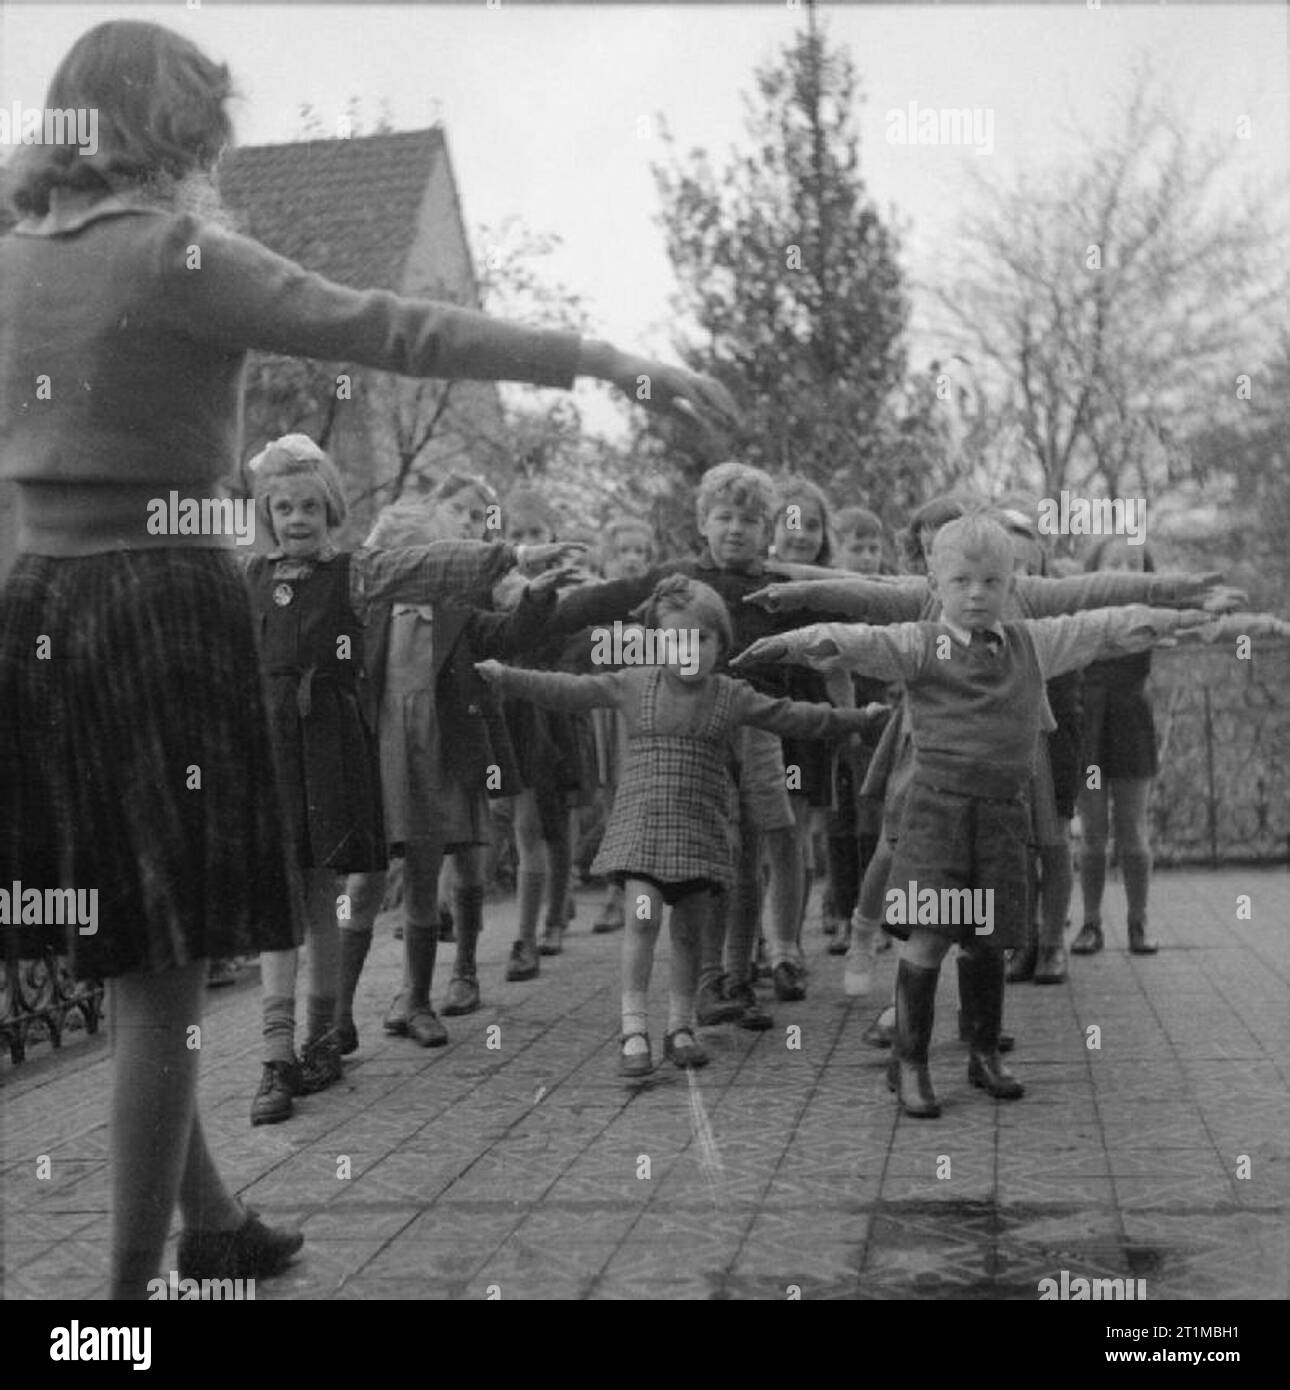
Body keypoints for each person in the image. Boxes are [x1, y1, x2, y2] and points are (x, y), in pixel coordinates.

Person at [0, 18, 736, 1299]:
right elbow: (396, 329)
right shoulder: (176, 254)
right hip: (160, 611)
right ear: (170, 133)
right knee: (165, 976)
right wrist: (602, 360)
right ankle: (123, 1309)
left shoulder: (8, 262)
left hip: (37, 611)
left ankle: (213, 1222)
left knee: (128, 944)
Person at [735, 513, 1217, 1117]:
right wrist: (789, 642)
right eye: (962, 581)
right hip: (936, 819)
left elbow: (1104, 623)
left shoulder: (1030, 644)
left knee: (987, 943)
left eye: (992, 582)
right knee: (930, 940)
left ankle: (983, 1052)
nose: (977, 595)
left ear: (1011, 583)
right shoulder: (919, 644)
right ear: (935, 580)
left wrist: (1181, 616)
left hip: (1000, 818)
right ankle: (908, 1060)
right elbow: (854, 637)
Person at [476, 575, 874, 1075]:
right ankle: (634, 1027)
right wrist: (506, 677)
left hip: (699, 837)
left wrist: (857, 718)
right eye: (674, 638)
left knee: (689, 932)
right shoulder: (632, 683)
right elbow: (567, 690)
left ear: (721, 644)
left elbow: (793, 716)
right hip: (643, 834)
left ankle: (680, 1025)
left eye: (701, 638)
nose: (687, 649)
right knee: (642, 920)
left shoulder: (732, 695)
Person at [333, 499, 576, 1054]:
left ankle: (417, 999)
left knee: (424, 876)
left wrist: (538, 597)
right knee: (364, 881)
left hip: (437, 758)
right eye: (401, 559)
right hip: (380, 761)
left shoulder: (457, 619)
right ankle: (337, 1017)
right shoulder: (362, 620)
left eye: (427, 558)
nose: (416, 571)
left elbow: (513, 633)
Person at [589, 516, 661, 935]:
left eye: (640, 552)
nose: (632, 560)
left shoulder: (655, 606)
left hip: (642, 712)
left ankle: (641, 891)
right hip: (605, 713)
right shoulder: (595, 601)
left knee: (642, 799)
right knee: (610, 800)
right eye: (622, 552)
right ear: (607, 559)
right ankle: (613, 893)